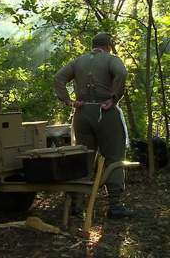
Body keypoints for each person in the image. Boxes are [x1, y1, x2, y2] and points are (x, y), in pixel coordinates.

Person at [54, 32, 132, 219]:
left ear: (93, 45)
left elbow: (58, 78)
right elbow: (121, 73)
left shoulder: (78, 61)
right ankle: (115, 206)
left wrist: (69, 101)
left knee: (84, 157)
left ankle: (77, 205)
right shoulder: (111, 59)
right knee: (114, 157)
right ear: (108, 45)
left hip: (82, 114)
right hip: (105, 112)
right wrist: (114, 98)